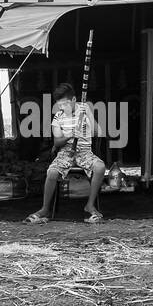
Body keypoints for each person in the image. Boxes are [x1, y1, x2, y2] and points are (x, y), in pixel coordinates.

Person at [26, 82, 105, 223]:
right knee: (51, 172)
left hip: (85, 152)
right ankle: (45, 209)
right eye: (59, 105)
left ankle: (90, 205)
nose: (62, 107)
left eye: (65, 104)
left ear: (74, 100)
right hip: (66, 152)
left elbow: (98, 132)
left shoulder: (85, 109)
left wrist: (88, 114)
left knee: (100, 167)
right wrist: (70, 135)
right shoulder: (58, 116)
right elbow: (57, 142)